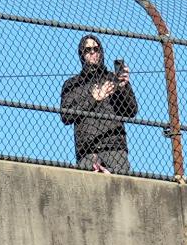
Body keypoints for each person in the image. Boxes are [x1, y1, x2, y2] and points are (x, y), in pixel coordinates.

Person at [59, 33, 137, 174]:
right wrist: (94, 98)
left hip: (114, 148)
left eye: (96, 49)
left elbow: (131, 111)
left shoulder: (113, 79)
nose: (93, 52)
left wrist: (122, 87)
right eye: (88, 50)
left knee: (119, 189)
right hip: (88, 150)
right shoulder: (73, 84)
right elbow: (66, 116)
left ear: (101, 52)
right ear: (82, 54)